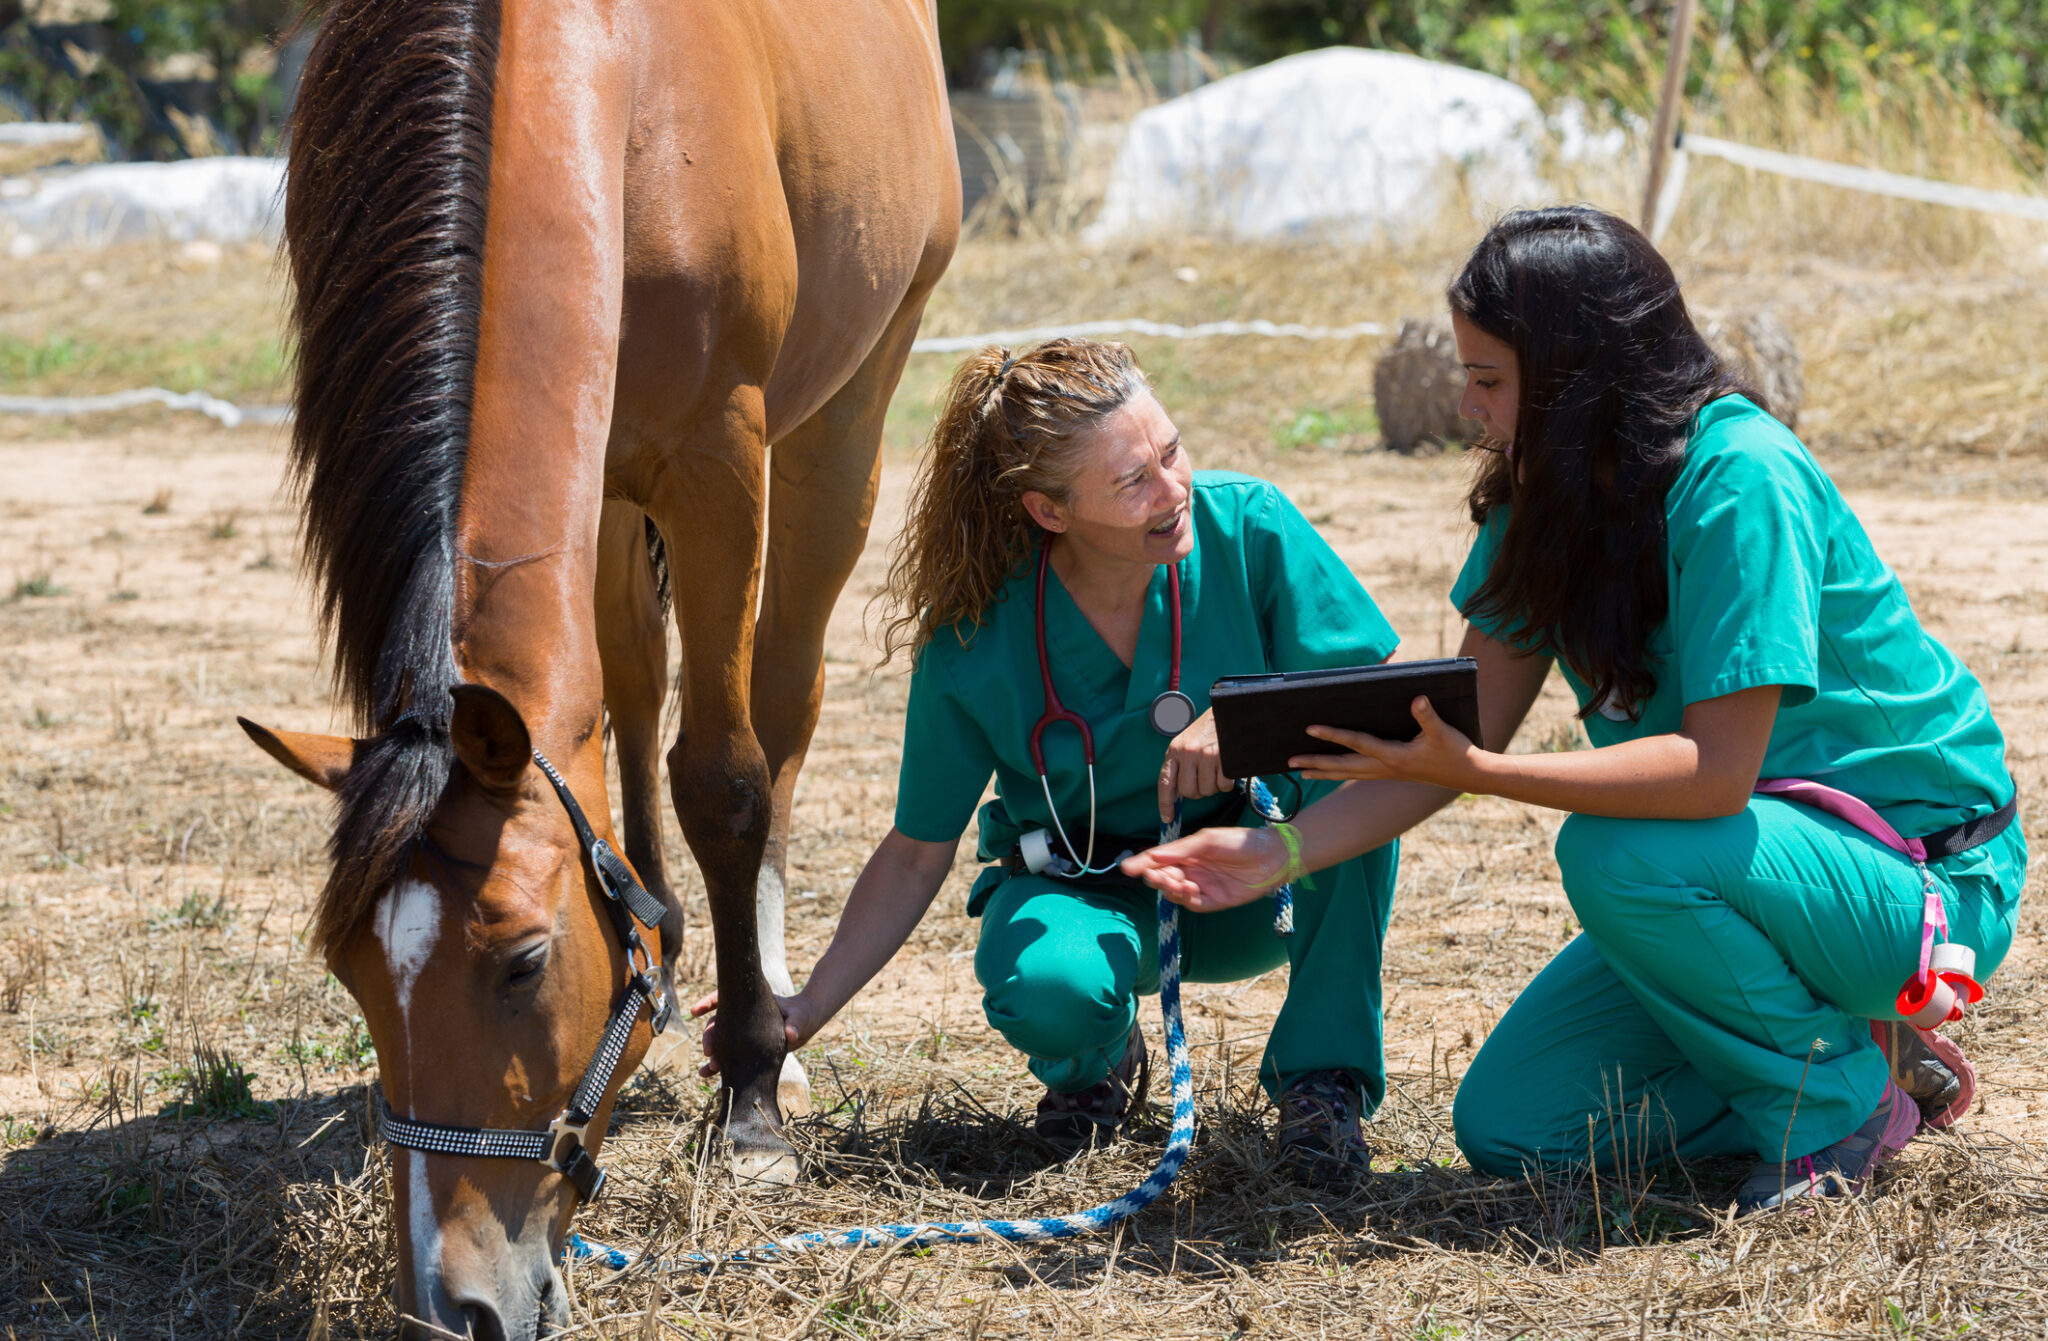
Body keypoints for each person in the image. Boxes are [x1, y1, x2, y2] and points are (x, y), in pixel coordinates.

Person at [1121, 206, 2025, 1214]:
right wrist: (1278, 852)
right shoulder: (1544, 496)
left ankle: (1828, 1110)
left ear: (1577, 375)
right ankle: (1852, 1046)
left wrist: (1486, 775)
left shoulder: (1741, 478)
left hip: (1923, 884)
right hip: (1744, 874)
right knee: (1518, 1125)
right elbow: (1450, 733)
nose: (1465, 405)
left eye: (1487, 378)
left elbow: (1712, 775)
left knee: (1612, 850)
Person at [701, 338, 1403, 1184]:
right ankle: (1097, 1063)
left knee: (1360, 784)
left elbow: (1389, 704)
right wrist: (806, 1006)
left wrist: (1249, 724)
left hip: (1263, 878)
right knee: (1048, 982)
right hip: (1092, 893)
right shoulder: (974, 637)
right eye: (1133, 480)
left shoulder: (1250, 526)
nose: (1173, 490)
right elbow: (916, 851)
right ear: (1050, 511)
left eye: (1172, 451)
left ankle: (1324, 1085)